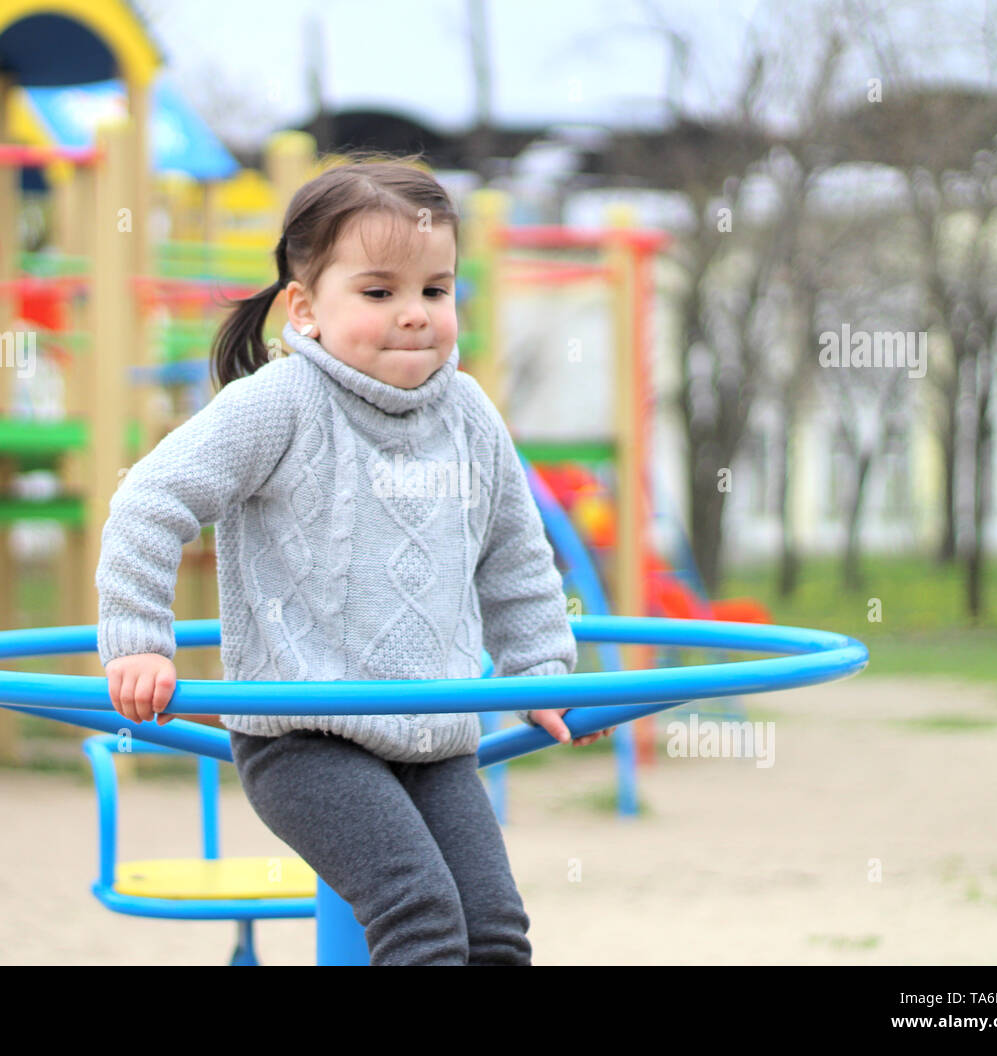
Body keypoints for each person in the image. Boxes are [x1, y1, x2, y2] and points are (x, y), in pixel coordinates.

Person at [96, 153, 615, 965]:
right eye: (379, 292)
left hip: (434, 737)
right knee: (419, 916)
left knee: (495, 930)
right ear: (304, 308)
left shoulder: (470, 413)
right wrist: (136, 639)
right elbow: (148, 501)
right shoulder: (281, 403)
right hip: (305, 739)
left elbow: (513, 553)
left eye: (435, 290)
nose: (414, 314)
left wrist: (539, 667)